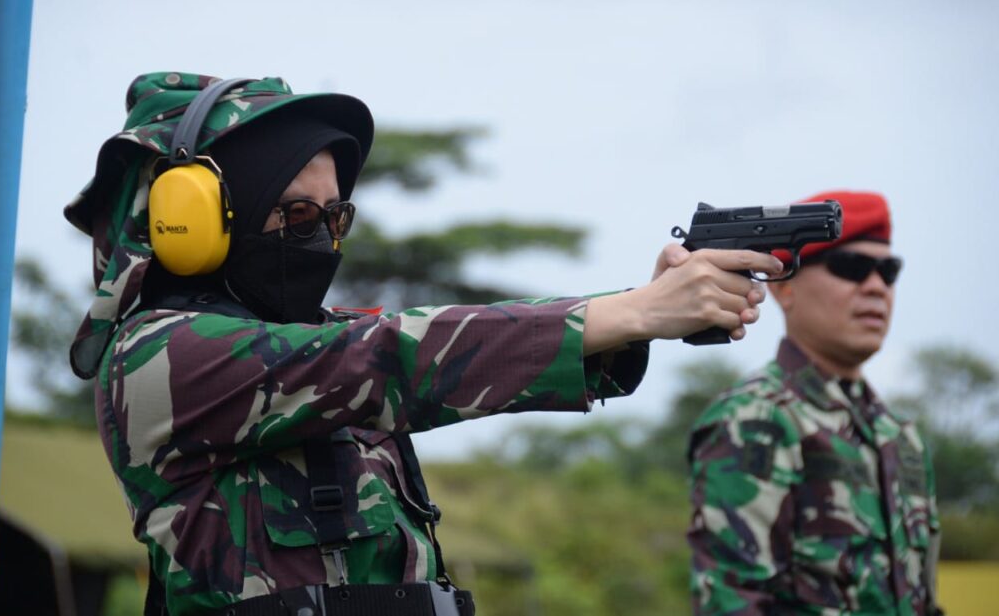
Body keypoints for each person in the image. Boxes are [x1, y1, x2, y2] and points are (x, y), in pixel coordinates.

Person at [65, 72, 782, 616]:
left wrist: (639, 312)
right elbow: (391, 357)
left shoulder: (320, 338)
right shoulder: (158, 358)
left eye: (335, 214)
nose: (320, 234)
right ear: (195, 220)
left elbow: (411, 347)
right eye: (295, 212)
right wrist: (632, 311)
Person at [686, 191, 943, 616]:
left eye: (888, 271)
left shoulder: (903, 437)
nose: (876, 287)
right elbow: (733, 603)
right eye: (852, 267)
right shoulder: (755, 419)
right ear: (783, 286)